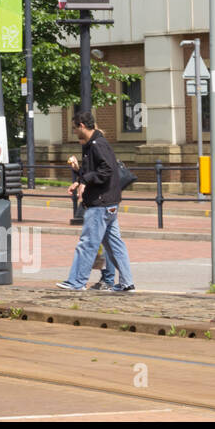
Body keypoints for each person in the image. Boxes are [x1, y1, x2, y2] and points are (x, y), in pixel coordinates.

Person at [57, 110, 136, 292]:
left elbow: (106, 170)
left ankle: (77, 282)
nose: (74, 132)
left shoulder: (97, 145)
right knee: (115, 245)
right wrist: (79, 178)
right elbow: (95, 171)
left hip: (100, 203)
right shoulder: (94, 144)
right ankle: (127, 283)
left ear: (82, 126)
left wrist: (85, 179)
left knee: (87, 243)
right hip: (110, 202)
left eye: (75, 128)